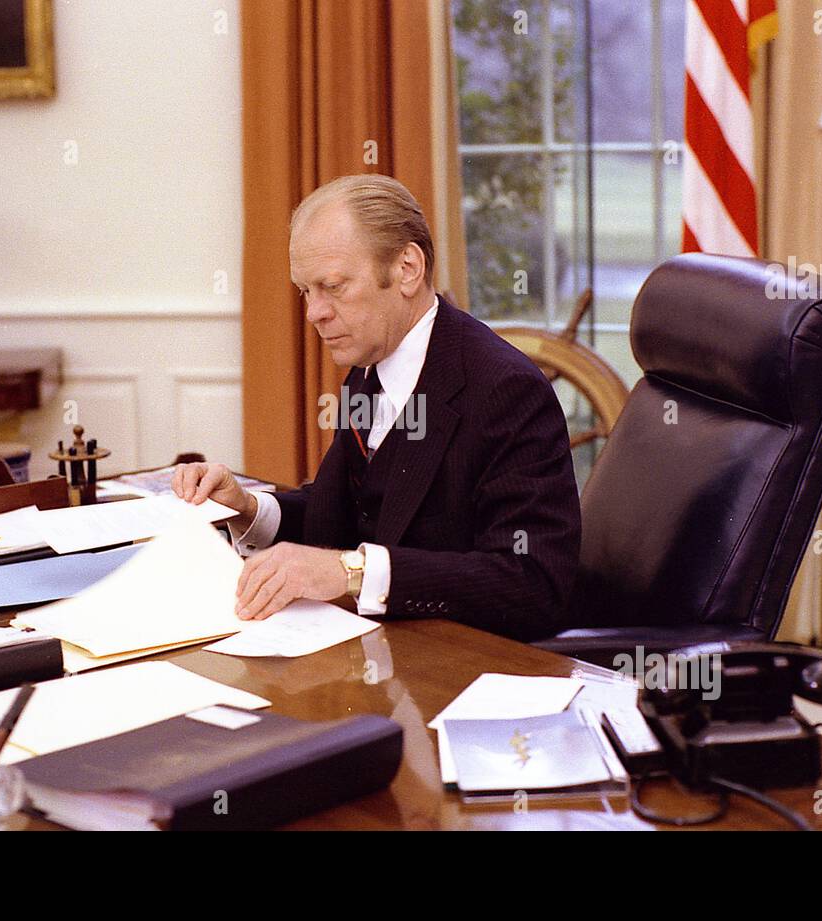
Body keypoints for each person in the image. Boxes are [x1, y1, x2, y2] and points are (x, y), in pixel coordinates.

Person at [173, 174, 580, 641]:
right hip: (383, 653)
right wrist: (248, 508)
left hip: (465, 672)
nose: (314, 313)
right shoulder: (369, 368)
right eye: (306, 291)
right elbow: (346, 512)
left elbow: (533, 584)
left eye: (333, 287)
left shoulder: (505, 390)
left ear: (407, 267)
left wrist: (354, 572)